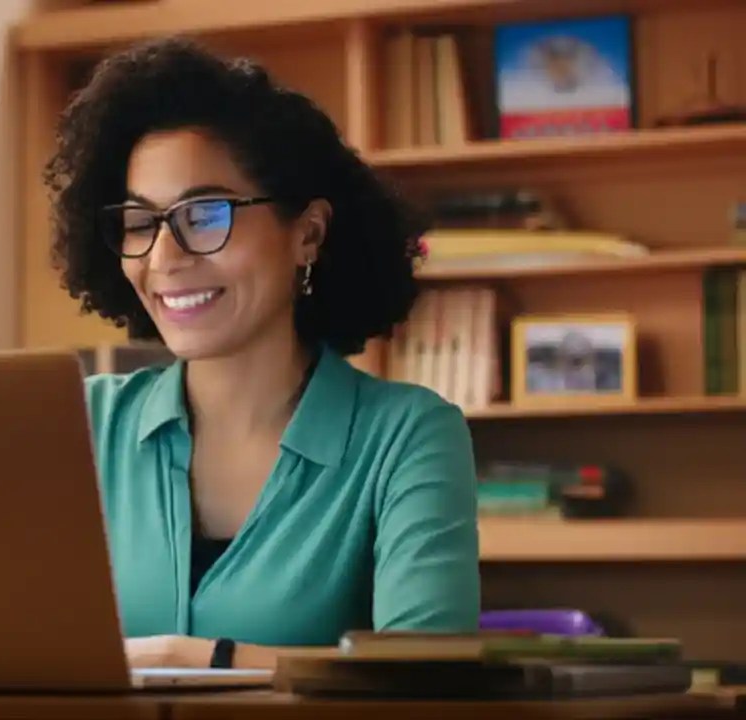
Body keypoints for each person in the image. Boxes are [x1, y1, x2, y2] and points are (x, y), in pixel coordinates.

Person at [43, 37, 480, 671]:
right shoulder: (79, 425)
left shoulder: (408, 437)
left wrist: (193, 657)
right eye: (141, 224)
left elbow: (427, 681)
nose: (165, 258)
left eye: (205, 213)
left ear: (307, 233)